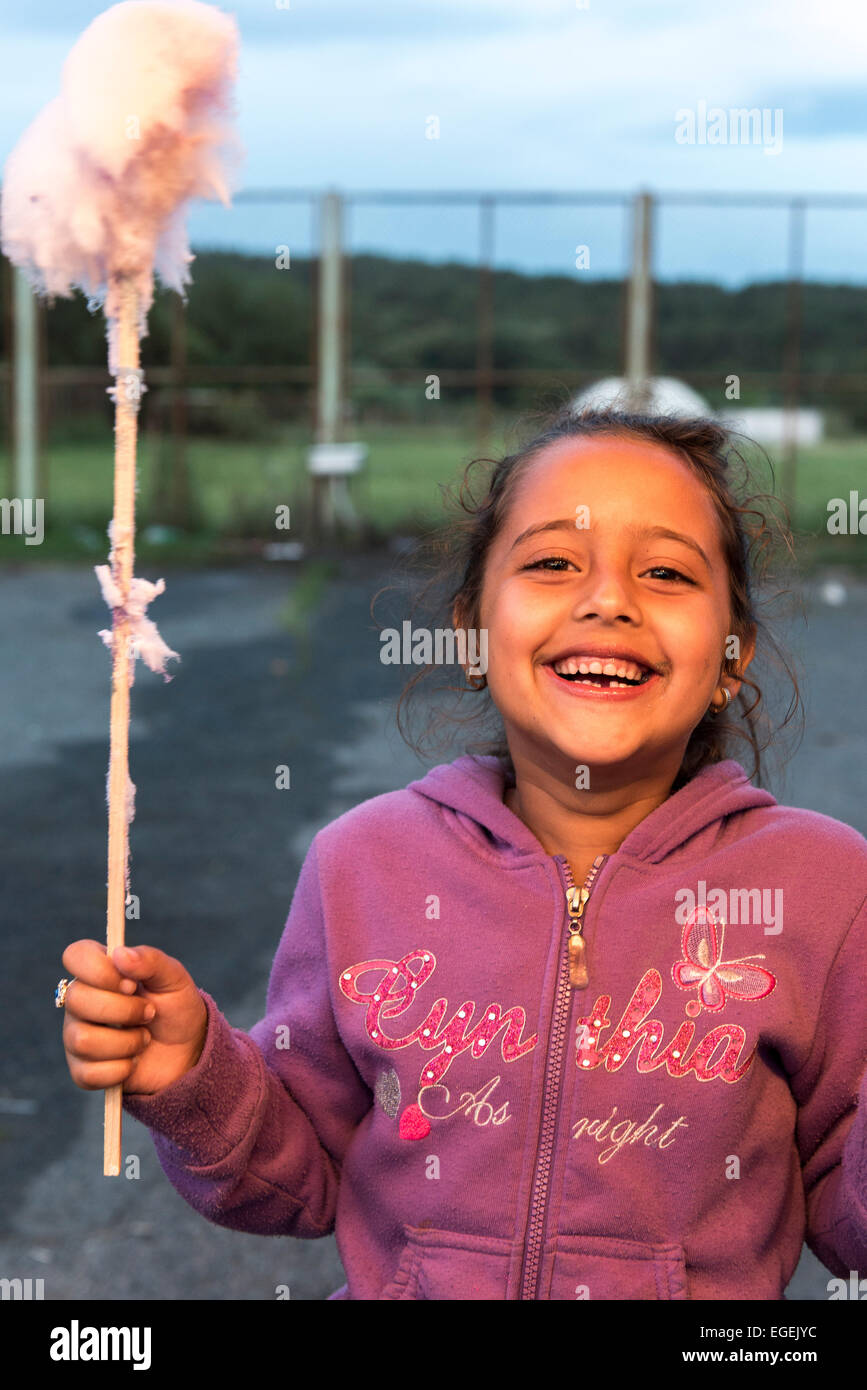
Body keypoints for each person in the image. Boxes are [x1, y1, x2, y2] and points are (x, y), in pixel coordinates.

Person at [59, 404, 867, 1300]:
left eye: (667, 572)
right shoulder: (361, 862)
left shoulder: (826, 888)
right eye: (553, 562)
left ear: (730, 655)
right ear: (473, 629)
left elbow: (844, 1217)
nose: (607, 599)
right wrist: (194, 1077)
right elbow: (302, 1172)